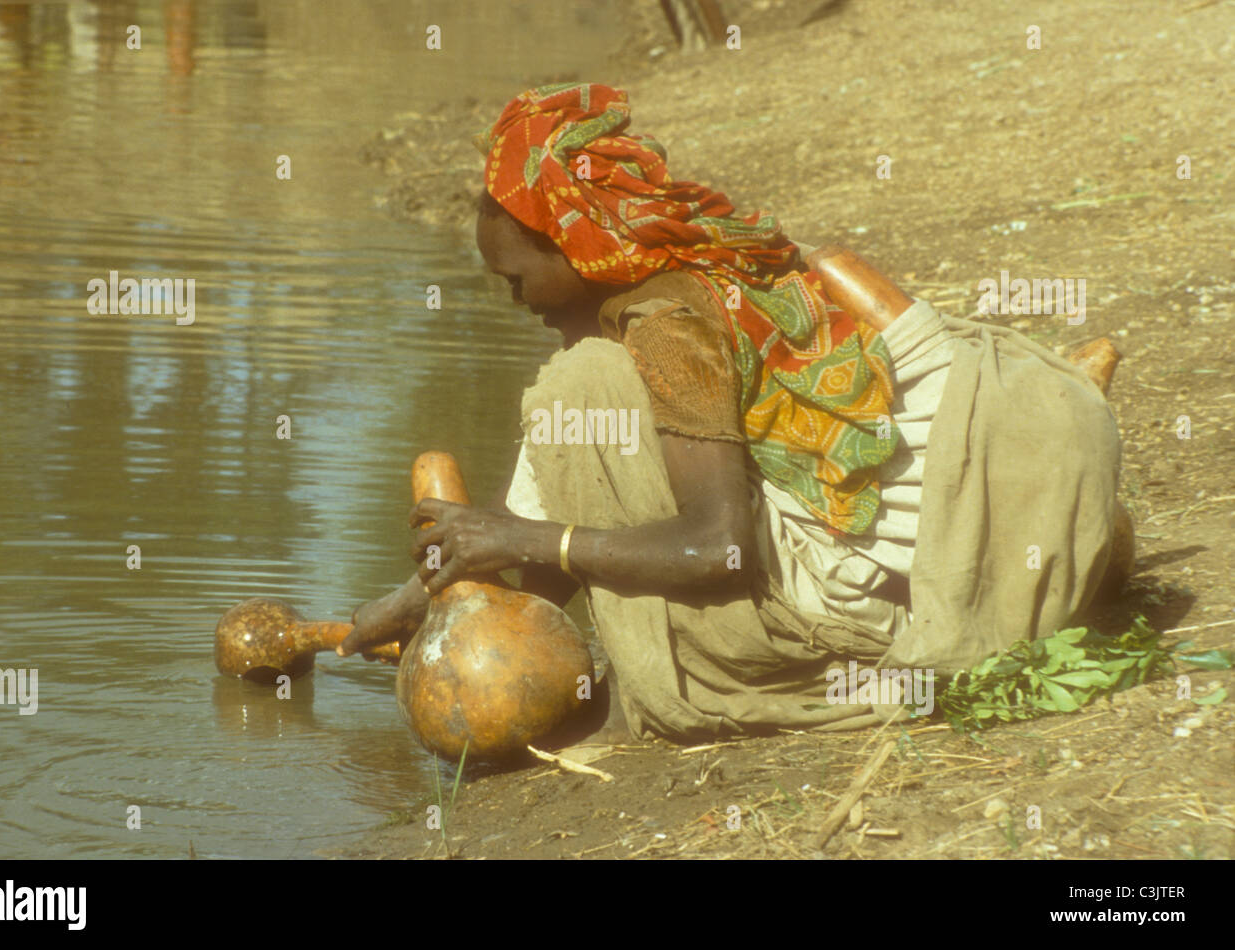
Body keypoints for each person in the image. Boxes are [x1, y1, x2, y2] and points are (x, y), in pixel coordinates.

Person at [340, 82, 1121, 741]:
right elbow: (551, 527)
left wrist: (521, 539)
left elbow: (720, 551)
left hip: (934, 549)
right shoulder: (703, 258)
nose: (515, 302)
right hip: (1038, 446)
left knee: (577, 390)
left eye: (516, 278)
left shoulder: (667, 327)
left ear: (574, 248)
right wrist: (414, 603)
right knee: (585, 408)